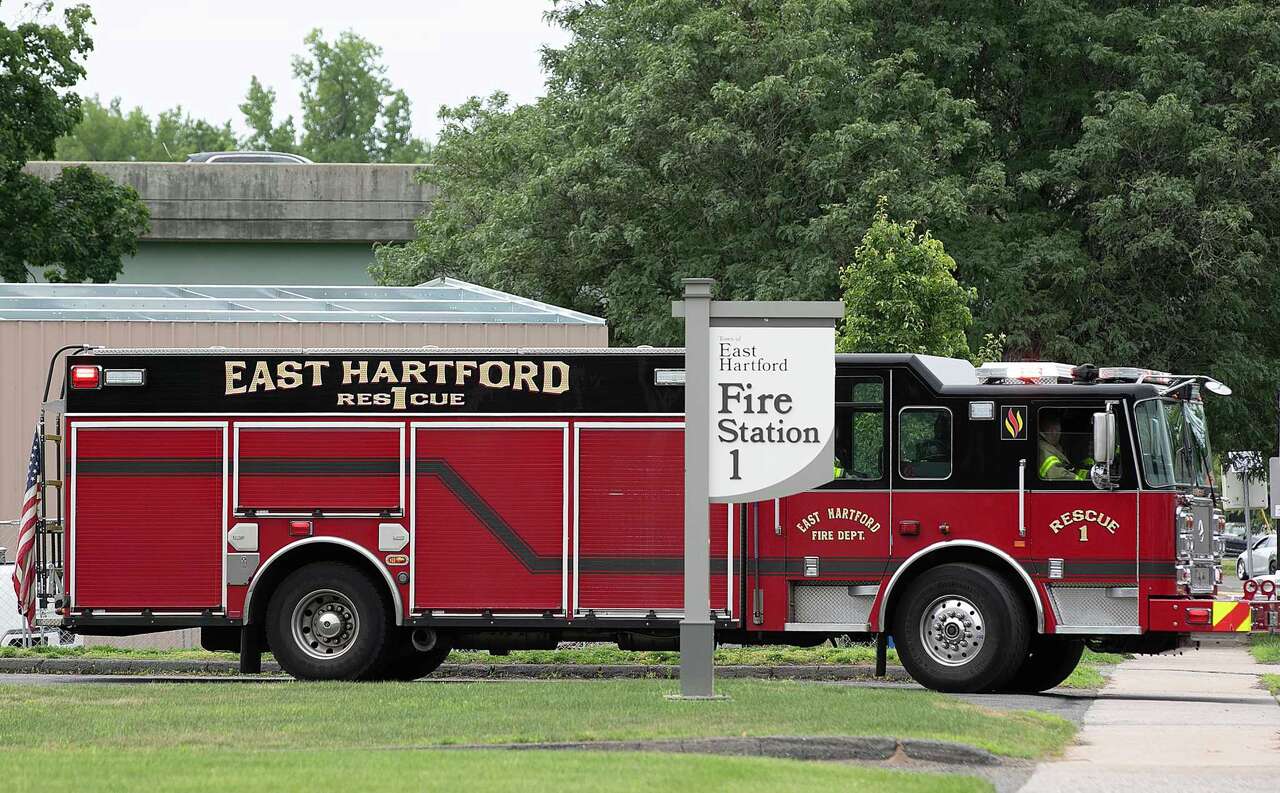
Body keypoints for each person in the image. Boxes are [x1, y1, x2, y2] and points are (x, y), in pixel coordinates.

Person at [1039, 413, 1089, 481]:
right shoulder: (1044, 450)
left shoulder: (1052, 447)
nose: (1060, 434)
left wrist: (1089, 475)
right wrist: (1084, 484)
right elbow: (1060, 476)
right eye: (1059, 430)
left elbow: (1069, 470)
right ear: (1052, 431)